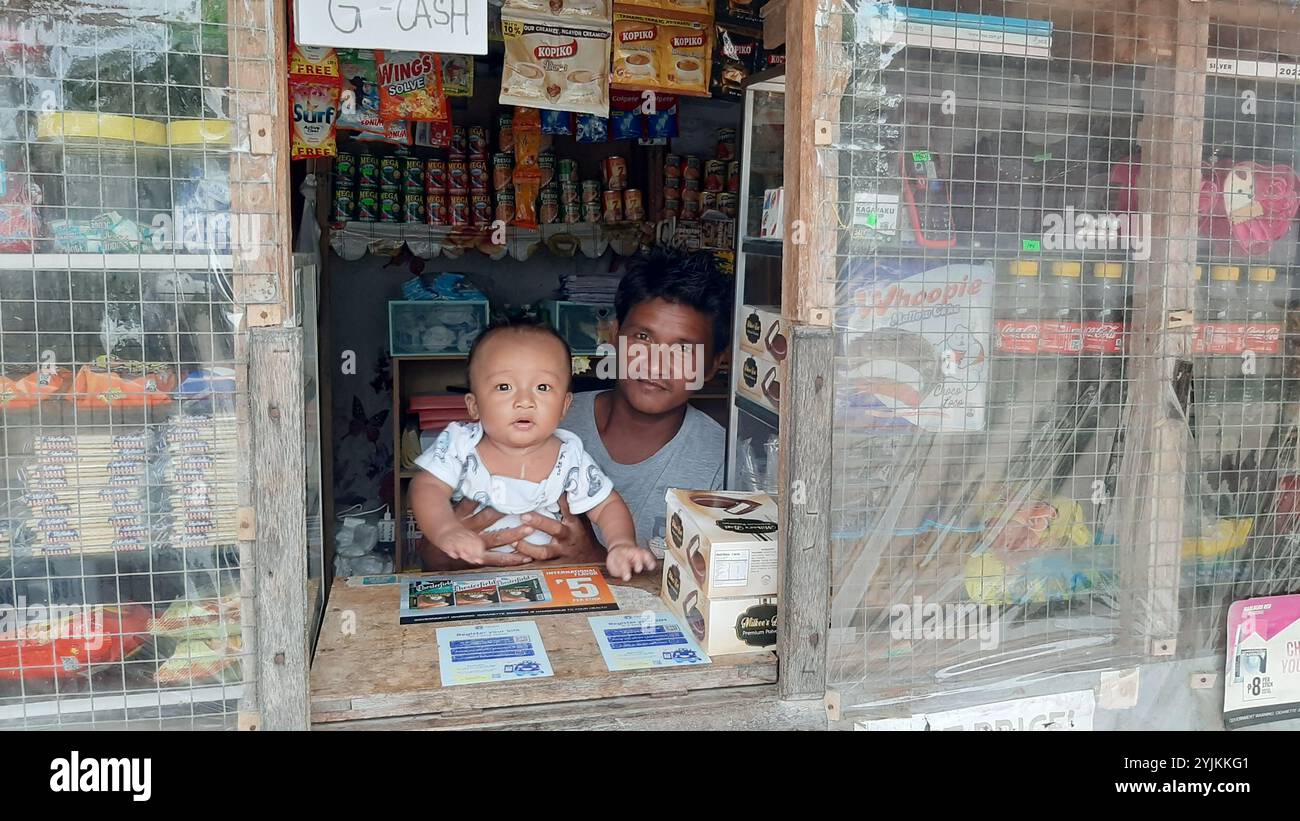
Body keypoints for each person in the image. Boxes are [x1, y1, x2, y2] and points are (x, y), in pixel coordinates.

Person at [418, 249, 731, 569]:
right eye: (642, 337)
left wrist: (592, 558)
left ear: (713, 366)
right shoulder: (529, 420)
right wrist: (449, 542)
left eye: (682, 349)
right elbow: (431, 555)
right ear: (614, 336)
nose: (656, 363)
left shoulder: (723, 463)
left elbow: (708, 595)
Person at [408, 321, 657, 581]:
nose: (525, 401)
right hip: (472, 583)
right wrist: (446, 529)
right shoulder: (461, 443)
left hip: (549, 584)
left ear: (564, 405)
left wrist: (620, 544)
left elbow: (607, 505)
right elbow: (427, 487)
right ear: (474, 405)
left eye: (542, 387)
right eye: (504, 387)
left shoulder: (569, 456)